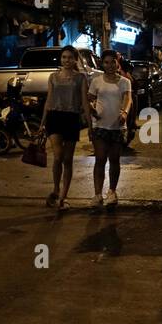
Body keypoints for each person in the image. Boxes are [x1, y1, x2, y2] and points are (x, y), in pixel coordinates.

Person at [40, 46, 91, 210]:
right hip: (54, 117)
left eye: (70, 57)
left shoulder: (80, 78)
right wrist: (42, 123)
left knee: (68, 159)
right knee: (58, 157)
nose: (66, 60)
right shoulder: (53, 77)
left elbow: (84, 102)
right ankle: (56, 189)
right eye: (64, 57)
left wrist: (90, 125)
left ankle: (63, 196)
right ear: (60, 59)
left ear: (75, 59)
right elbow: (48, 100)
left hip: (71, 118)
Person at [88, 50, 132, 209]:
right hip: (100, 125)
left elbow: (128, 100)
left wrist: (125, 113)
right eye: (106, 62)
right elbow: (90, 100)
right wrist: (92, 109)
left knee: (114, 159)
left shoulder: (125, 82)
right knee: (100, 159)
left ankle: (112, 192)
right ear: (102, 64)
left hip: (117, 126)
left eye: (112, 62)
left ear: (117, 63)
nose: (110, 65)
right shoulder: (96, 81)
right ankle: (97, 194)